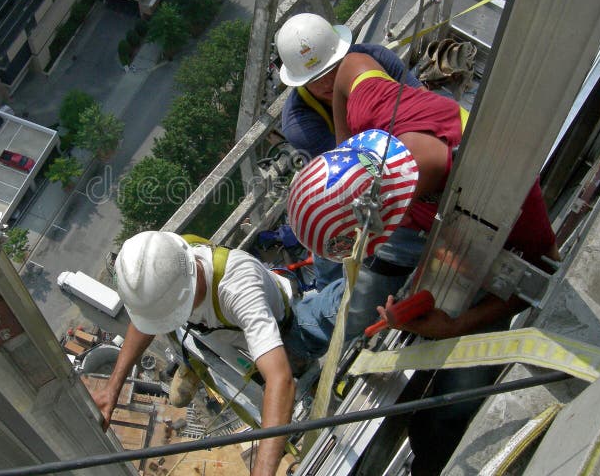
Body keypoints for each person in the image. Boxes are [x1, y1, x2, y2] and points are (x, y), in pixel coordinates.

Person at [93, 147, 419, 475]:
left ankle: (397, 260)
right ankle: (343, 263)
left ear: (181, 299)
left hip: (294, 328)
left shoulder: (238, 288)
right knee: (333, 259)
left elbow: (281, 380)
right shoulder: (171, 258)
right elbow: (146, 315)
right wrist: (112, 388)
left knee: (353, 305)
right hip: (229, 334)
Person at [317, 49, 559, 473]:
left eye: (369, 234)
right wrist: (342, 144)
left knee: (442, 423)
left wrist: (457, 326)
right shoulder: (373, 111)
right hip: (443, 218)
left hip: (495, 254)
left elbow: (545, 276)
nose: (369, 243)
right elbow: (347, 70)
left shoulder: (505, 202)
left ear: (395, 208)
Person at [277, 13, 424, 290]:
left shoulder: (376, 58)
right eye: (314, 77)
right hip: (352, 183)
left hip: (405, 150)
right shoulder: (300, 122)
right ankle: (332, 287)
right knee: (334, 246)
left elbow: (421, 106)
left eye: (330, 69)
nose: (325, 83)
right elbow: (351, 179)